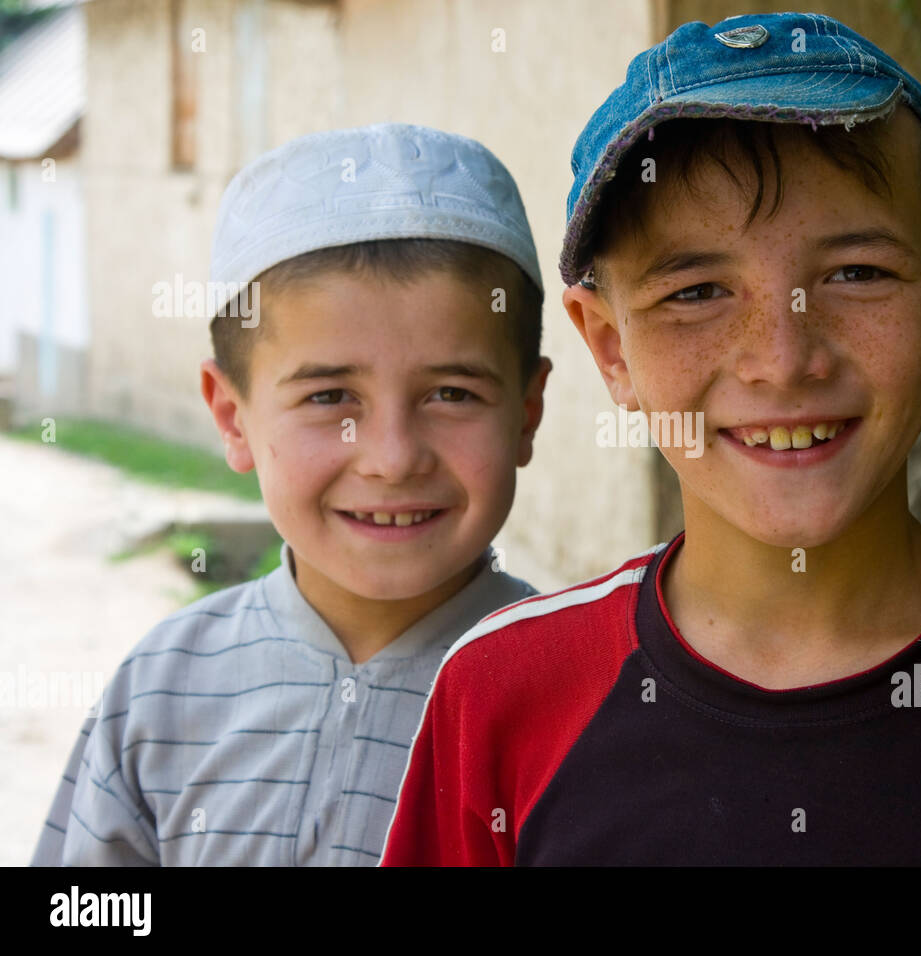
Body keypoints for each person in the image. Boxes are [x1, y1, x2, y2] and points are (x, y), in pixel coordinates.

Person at [380, 13, 921, 865]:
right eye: (697, 292)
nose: (783, 362)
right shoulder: (498, 694)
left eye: (856, 274)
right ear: (610, 349)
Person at [32, 123, 550, 865]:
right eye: (330, 396)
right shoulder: (162, 689)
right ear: (231, 415)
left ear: (527, 413)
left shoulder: (573, 700)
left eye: (451, 392)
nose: (392, 458)